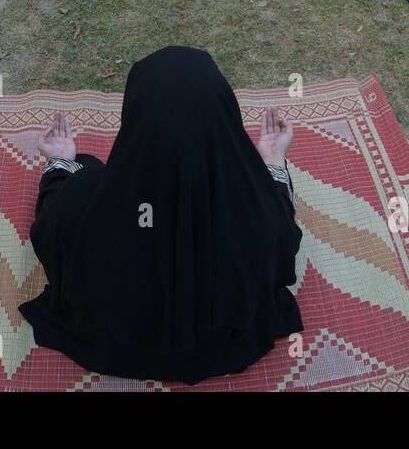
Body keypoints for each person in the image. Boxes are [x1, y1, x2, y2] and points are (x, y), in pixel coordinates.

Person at [19, 46, 304, 385]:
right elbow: (283, 235)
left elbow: (51, 230)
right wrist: (272, 162)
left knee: (88, 169)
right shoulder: (253, 211)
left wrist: (60, 163)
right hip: (223, 348)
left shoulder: (87, 202)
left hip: (113, 346)